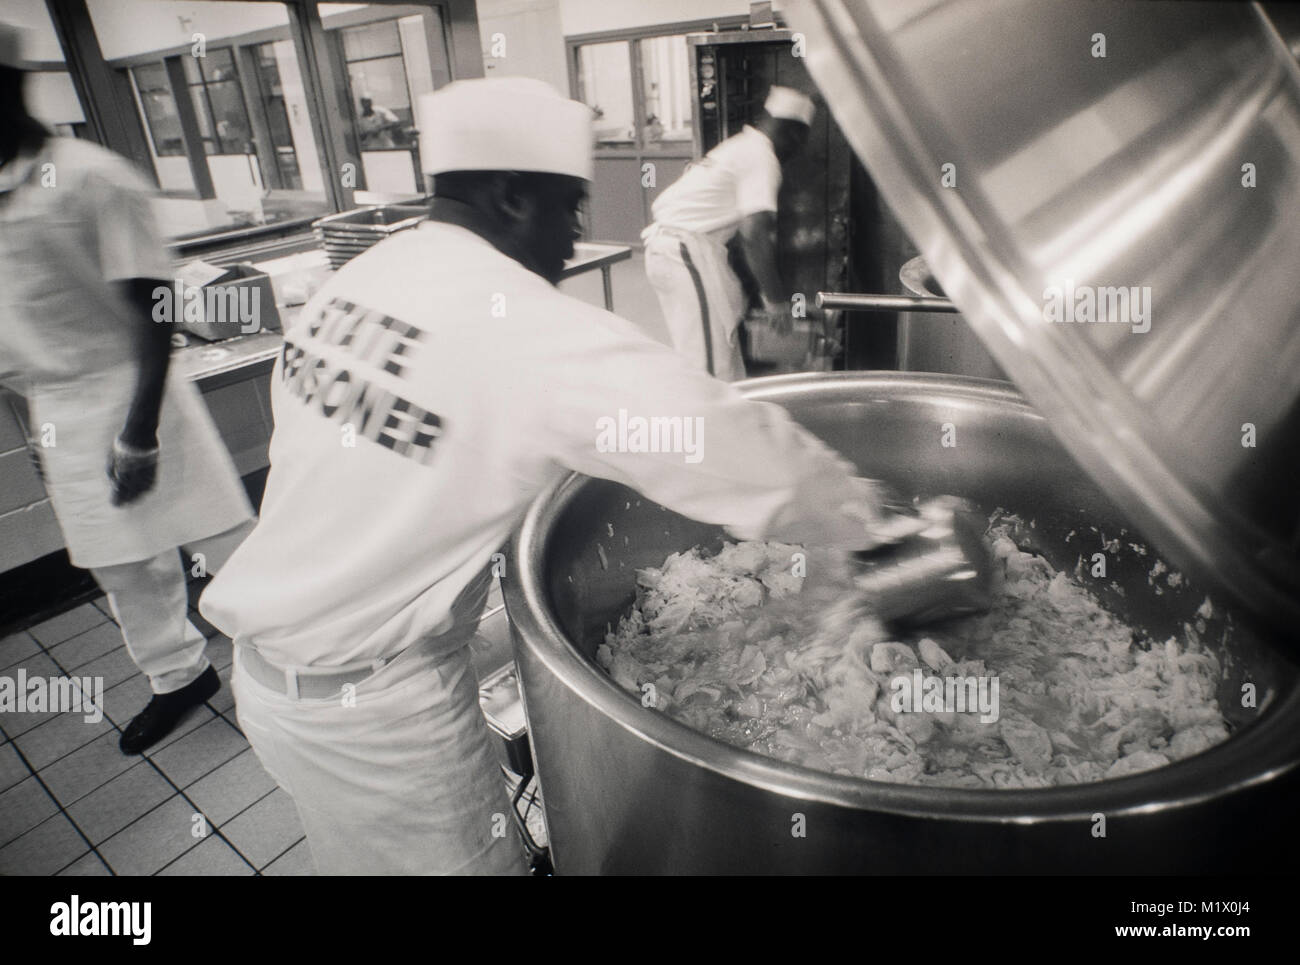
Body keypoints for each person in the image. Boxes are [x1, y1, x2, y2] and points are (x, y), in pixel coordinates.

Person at [199, 77, 888, 876]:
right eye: (570, 209)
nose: (573, 239)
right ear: (510, 194)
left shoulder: (357, 284)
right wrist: (871, 525)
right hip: (379, 719)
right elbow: (723, 440)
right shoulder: (522, 326)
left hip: (275, 684)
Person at [0, 23, 255, 754]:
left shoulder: (91, 178)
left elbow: (157, 314)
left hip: (136, 391)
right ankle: (178, 675)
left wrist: (137, 430)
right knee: (123, 568)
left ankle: (292, 661)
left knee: (222, 547)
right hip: (56, 405)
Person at [642, 85, 816, 380]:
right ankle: (707, 425)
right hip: (683, 250)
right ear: (794, 134)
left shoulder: (738, 145)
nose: (796, 152)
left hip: (679, 249)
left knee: (720, 354)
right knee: (709, 371)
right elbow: (754, 235)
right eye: (800, 143)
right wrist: (776, 302)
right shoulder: (762, 157)